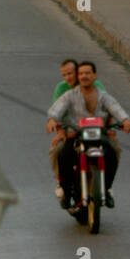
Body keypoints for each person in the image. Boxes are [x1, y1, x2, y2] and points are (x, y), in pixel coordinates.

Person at [46, 61, 130, 208]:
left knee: (113, 152)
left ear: (95, 76)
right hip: (76, 135)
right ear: (78, 77)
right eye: (81, 74)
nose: (84, 76)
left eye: (87, 73)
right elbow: (57, 109)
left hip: (99, 135)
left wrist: (125, 120)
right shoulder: (69, 95)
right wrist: (52, 120)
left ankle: (107, 188)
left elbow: (115, 107)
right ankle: (66, 192)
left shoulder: (103, 95)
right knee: (62, 154)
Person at [48, 58, 104, 186]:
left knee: (114, 149)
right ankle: (61, 182)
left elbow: (108, 107)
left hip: (95, 129)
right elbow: (58, 112)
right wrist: (61, 131)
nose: (67, 78)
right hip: (72, 130)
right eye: (64, 75)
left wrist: (111, 129)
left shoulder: (95, 86)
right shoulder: (61, 88)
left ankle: (107, 184)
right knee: (56, 150)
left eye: (70, 73)